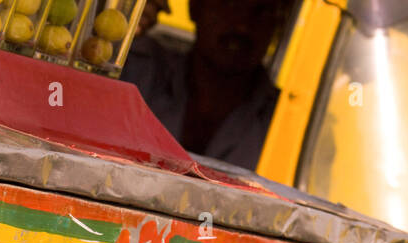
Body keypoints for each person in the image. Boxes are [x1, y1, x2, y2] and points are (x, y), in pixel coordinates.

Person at [122, 0, 290, 172]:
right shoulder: (138, 71)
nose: (242, 25)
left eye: (261, 12)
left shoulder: (287, 122)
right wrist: (125, 16)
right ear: (195, 7)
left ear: (279, 26)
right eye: (230, 6)